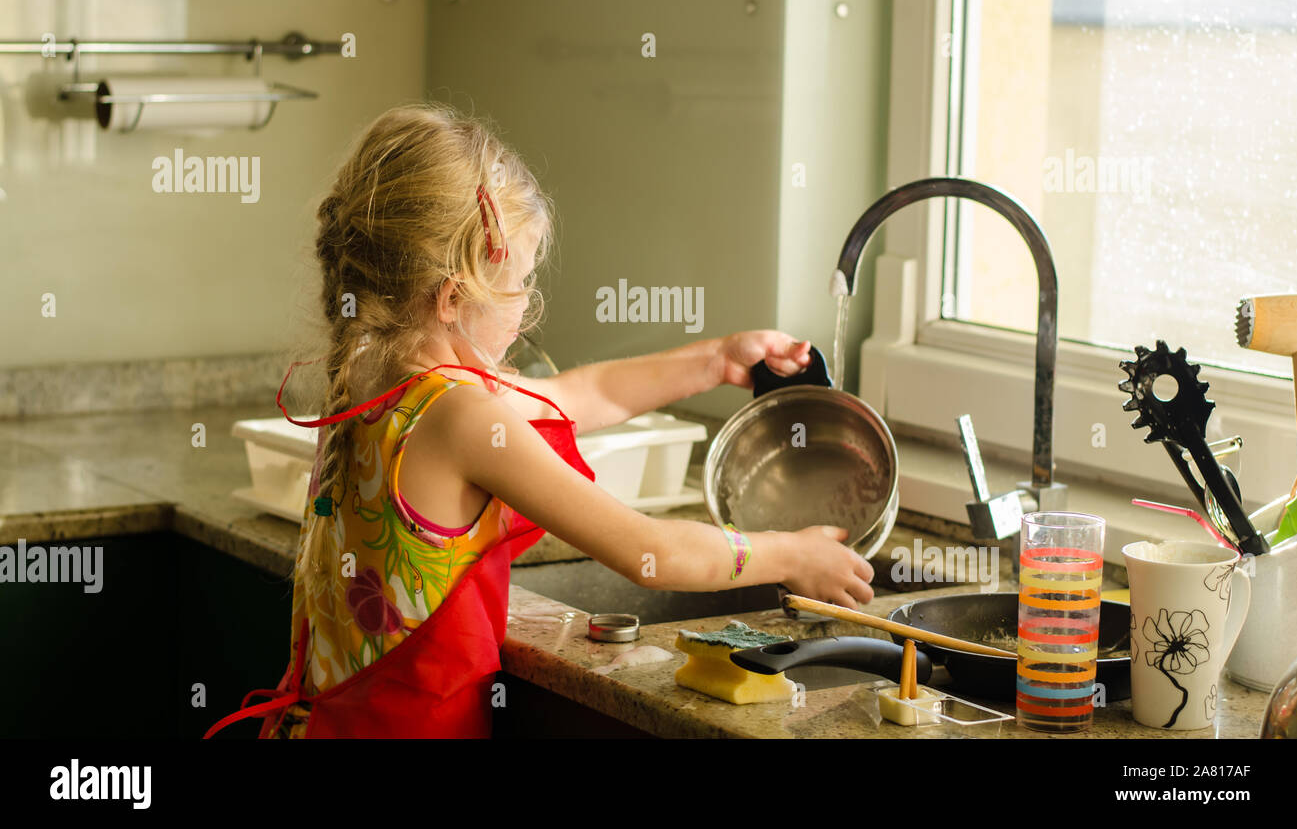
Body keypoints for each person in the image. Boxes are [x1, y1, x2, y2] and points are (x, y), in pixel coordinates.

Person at [204, 102, 873, 739]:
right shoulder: (459, 415)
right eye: (522, 281)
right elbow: (651, 551)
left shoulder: (372, 375)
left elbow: (581, 393)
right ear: (453, 297)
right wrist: (791, 552)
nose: (528, 302)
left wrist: (719, 358)